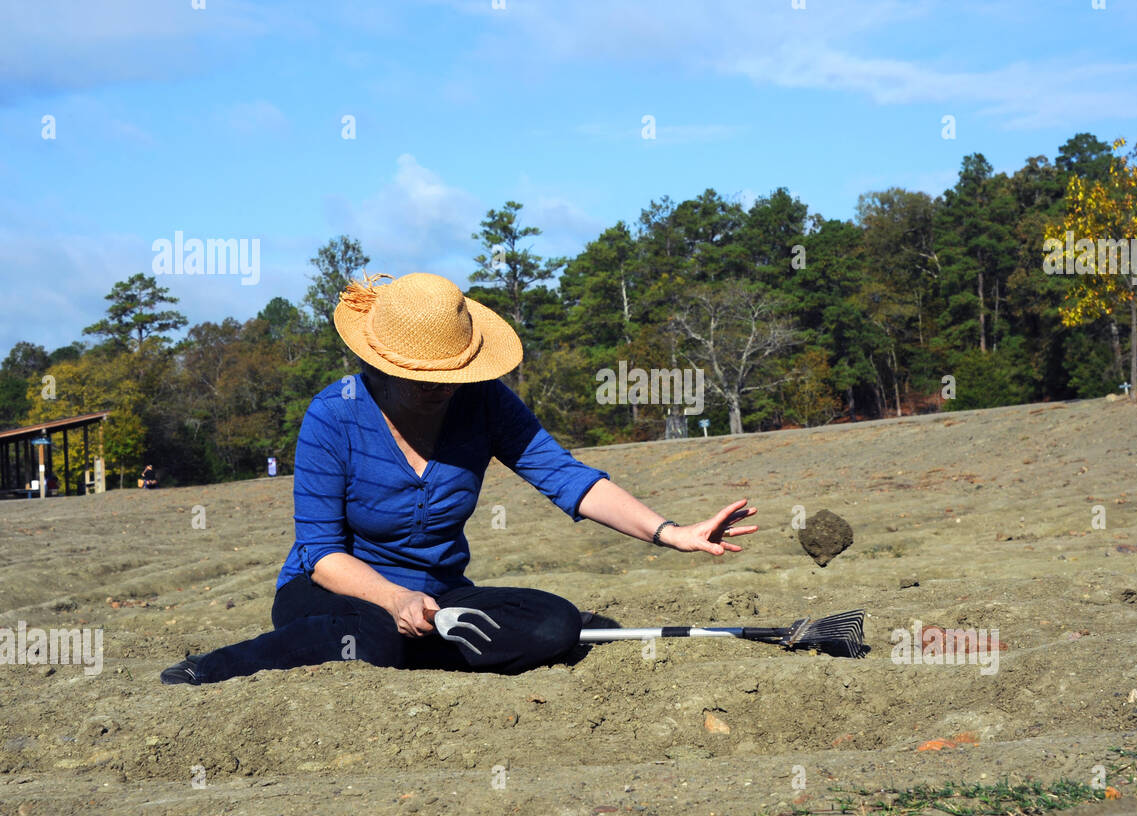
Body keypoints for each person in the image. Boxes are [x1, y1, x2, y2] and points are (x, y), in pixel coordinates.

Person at [161, 272, 756, 685]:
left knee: (557, 624)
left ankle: (413, 646)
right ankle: (216, 665)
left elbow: (567, 479)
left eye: (453, 372)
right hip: (338, 596)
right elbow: (320, 555)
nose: (442, 386)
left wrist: (670, 533)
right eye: (424, 376)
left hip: (441, 598)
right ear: (379, 363)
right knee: (369, 637)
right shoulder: (333, 414)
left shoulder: (486, 405)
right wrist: (394, 598)